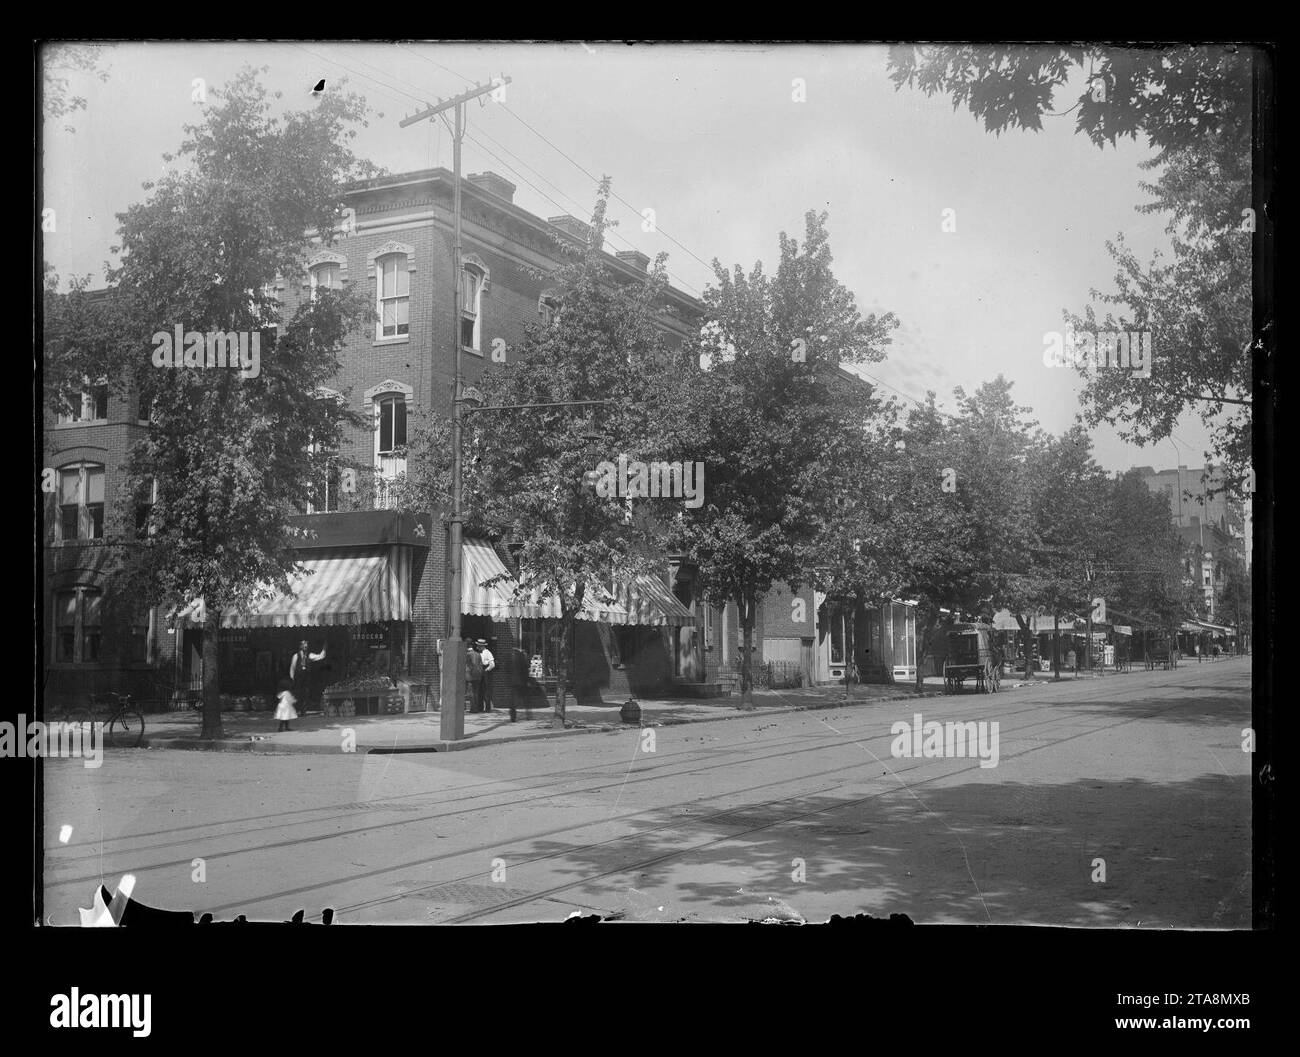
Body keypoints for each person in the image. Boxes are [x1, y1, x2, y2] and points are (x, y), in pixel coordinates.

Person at [290, 639, 326, 714]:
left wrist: (324, 649)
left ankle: (303, 711)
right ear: (300, 646)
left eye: (306, 645)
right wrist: (292, 678)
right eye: (304, 645)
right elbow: (292, 668)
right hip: (298, 678)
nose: (305, 646)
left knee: (305, 693)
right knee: (297, 694)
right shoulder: (296, 656)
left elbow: (320, 656)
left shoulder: (309, 655)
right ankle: (296, 710)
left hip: (306, 678)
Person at [465, 639, 485, 713]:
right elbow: (481, 665)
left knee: (471, 693)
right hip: (477, 676)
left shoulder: (467, 654)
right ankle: (476, 707)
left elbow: (467, 665)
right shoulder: (478, 654)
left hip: (470, 676)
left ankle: (473, 708)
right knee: (476, 692)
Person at [476, 639, 496, 712]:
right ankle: (480, 707)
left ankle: (487, 708)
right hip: (479, 672)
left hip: (485, 672)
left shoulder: (488, 653)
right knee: (480, 690)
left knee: (486, 691)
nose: (477, 647)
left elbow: (492, 664)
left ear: (482, 646)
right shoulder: (478, 653)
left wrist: (486, 670)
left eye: (478, 645)